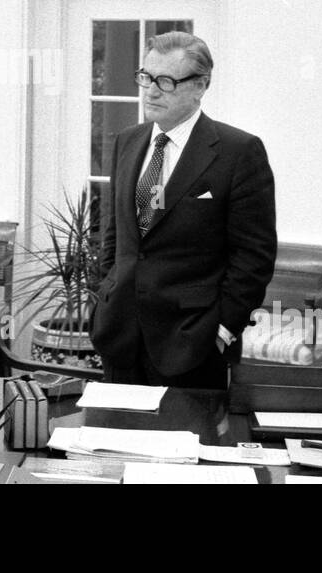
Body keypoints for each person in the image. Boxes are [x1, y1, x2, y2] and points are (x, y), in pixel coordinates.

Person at [90, 31, 276, 388]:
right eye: (146, 77)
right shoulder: (128, 142)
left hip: (193, 346)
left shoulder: (239, 152)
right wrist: (105, 298)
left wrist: (222, 331)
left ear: (200, 86)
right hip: (120, 339)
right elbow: (116, 235)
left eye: (166, 81)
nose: (151, 90)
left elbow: (254, 257)